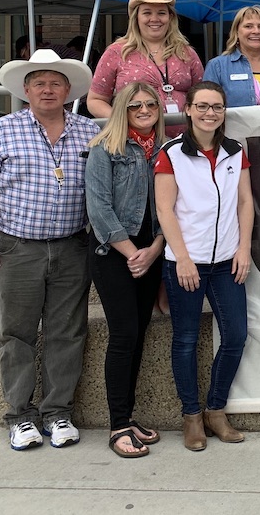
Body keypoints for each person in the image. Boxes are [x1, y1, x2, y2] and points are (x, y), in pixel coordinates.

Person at [0, 49, 99, 451]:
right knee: (16, 333)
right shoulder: (1, 131)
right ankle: (20, 416)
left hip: (72, 246)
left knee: (67, 331)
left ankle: (58, 413)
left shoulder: (88, 131)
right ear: (26, 90)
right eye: (39, 83)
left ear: (68, 90)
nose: (47, 89)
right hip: (17, 248)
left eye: (56, 83)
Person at [154, 81, 253, 451]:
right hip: (186, 262)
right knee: (185, 340)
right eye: (203, 106)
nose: (210, 113)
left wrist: (243, 249)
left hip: (227, 261)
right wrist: (182, 257)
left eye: (217, 107)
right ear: (189, 109)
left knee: (236, 336)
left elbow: (245, 202)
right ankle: (191, 416)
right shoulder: (171, 153)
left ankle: (216, 409)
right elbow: (165, 209)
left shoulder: (235, 152)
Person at [84, 82, 166, 458]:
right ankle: (118, 425)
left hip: (150, 251)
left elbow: (171, 207)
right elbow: (99, 209)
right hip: (114, 252)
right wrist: (134, 254)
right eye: (135, 106)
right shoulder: (105, 149)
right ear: (122, 110)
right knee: (123, 335)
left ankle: (129, 417)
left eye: (151, 104)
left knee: (138, 335)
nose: (144, 110)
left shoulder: (164, 150)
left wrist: (155, 248)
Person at [88, 0, 205, 133]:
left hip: (183, 140)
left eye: (161, 13)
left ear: (170, 17)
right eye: (147, 13)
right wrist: (123, 124)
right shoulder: (116, 52)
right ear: (136, 17)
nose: (154, 19)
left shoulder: (187, 53)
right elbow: (95, 101)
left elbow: (203, 97)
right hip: (133, 140)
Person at [203, 5, 260, 107]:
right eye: (248, 26)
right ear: (236, 32)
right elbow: (207, 105)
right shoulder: (218, 66)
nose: (256, 31)